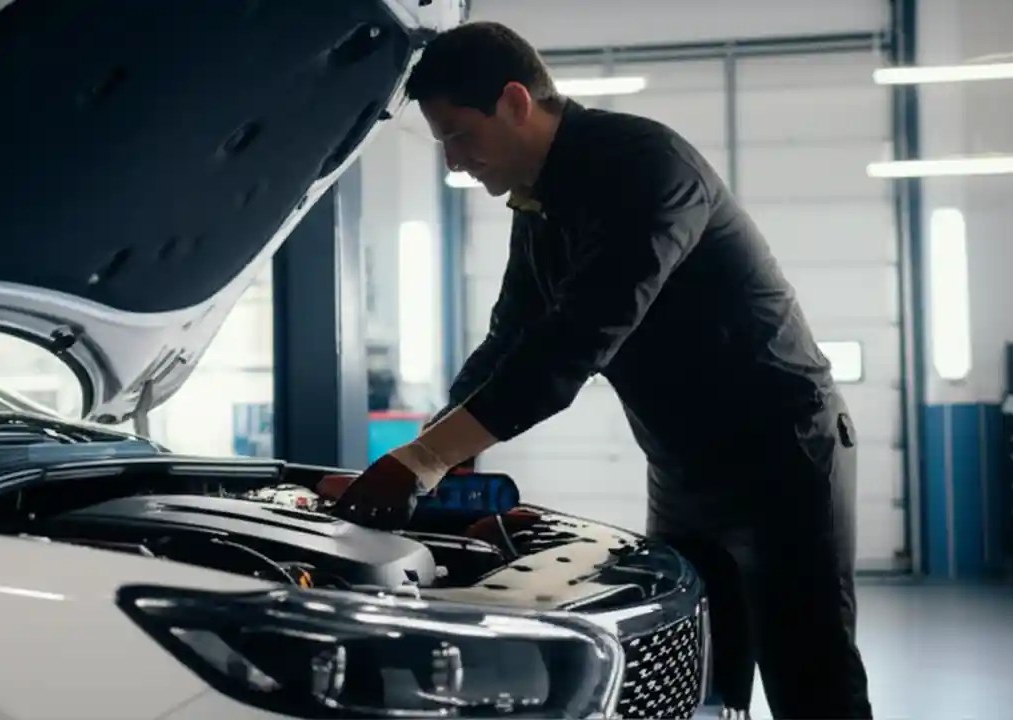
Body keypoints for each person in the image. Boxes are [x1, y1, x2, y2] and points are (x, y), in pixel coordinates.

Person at [327, 21, 873, 720]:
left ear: (516, 101)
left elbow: (573, 346)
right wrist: (444, 460)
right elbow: (509, 340)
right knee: (698, 682)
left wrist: (421, 460)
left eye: (457, 135)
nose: (453, 164)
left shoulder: (647, 166)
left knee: (811, 680)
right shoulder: (541, 204)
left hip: (784, 459)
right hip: (682, 472)